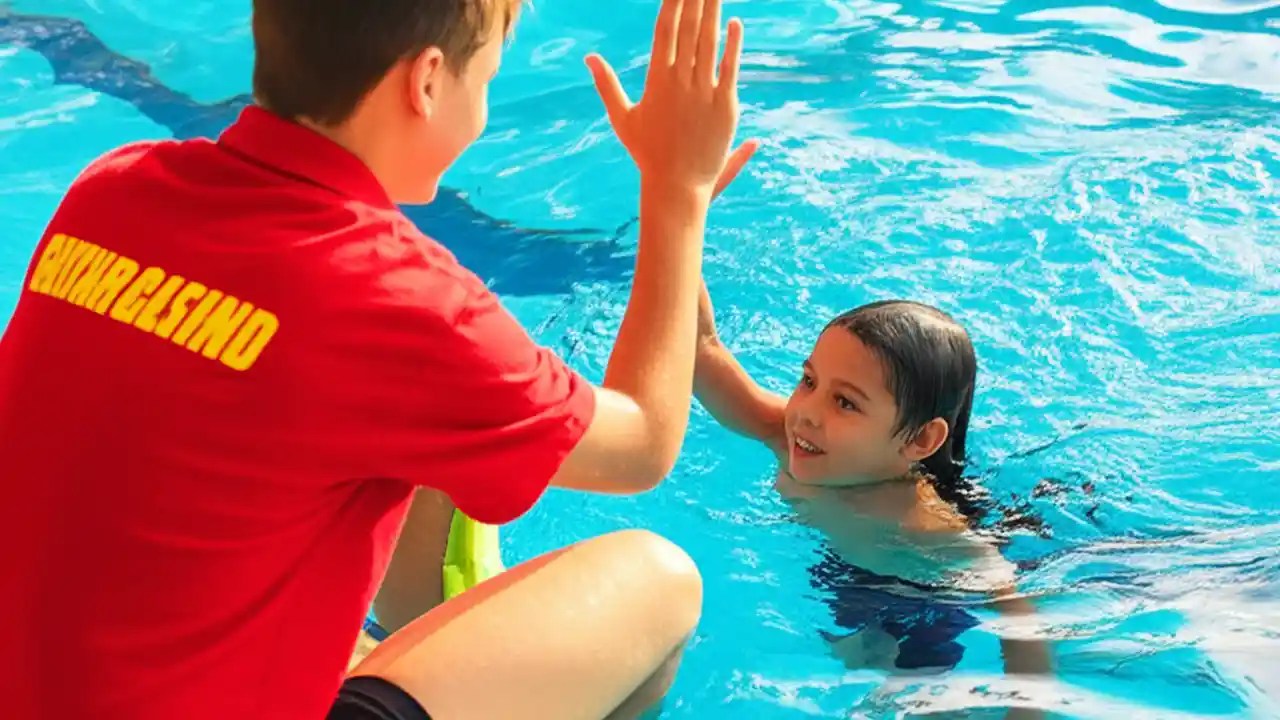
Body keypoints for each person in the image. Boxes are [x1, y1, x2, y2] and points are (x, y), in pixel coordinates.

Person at [0, 0, 756, 718]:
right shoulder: (398, 299)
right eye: (485, 80)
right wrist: (676, 190)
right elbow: (644, 444)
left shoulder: (110, 193)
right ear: (427, 82)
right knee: (657, 581)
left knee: (416, 428)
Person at [692, 291, 1054, 688]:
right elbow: (702, 351)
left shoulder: (922, 522)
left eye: (845, 403)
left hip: (918, 600)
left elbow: (1015, 607)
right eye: (809, 380)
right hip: (847, 576)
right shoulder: (789, 436)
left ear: (919, 440)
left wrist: (1027, 709)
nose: (807, 413)